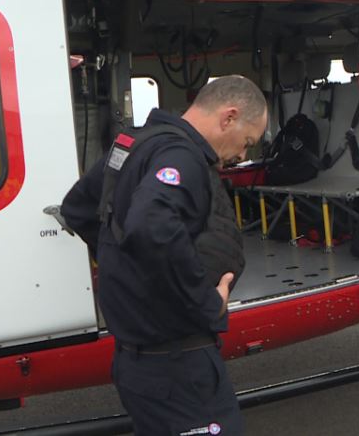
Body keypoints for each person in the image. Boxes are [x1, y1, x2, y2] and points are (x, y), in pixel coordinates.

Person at [61, 75, 268, 435]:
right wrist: (207, 302)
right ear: (229, 117)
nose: (243, 155)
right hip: (177, 365)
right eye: (247, 142)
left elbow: (78, 208)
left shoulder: (134, 141)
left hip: (134, 361)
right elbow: (152, 224)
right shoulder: (182, 156)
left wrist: (125, 265)